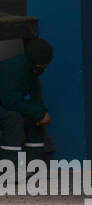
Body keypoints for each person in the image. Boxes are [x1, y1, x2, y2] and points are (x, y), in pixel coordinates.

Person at [0, 38, 53, 166]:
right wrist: (39, 114)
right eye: (46, 63)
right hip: (5, 104)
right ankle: (8, 168)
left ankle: (34, 165)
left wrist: (41, 113)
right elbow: (10, 102)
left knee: (33, 120)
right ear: (40, 62)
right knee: (13, 119)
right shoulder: (15, 69)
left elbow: (33, 98)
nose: (47, 66)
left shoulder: (30, 69)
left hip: (5, 104)